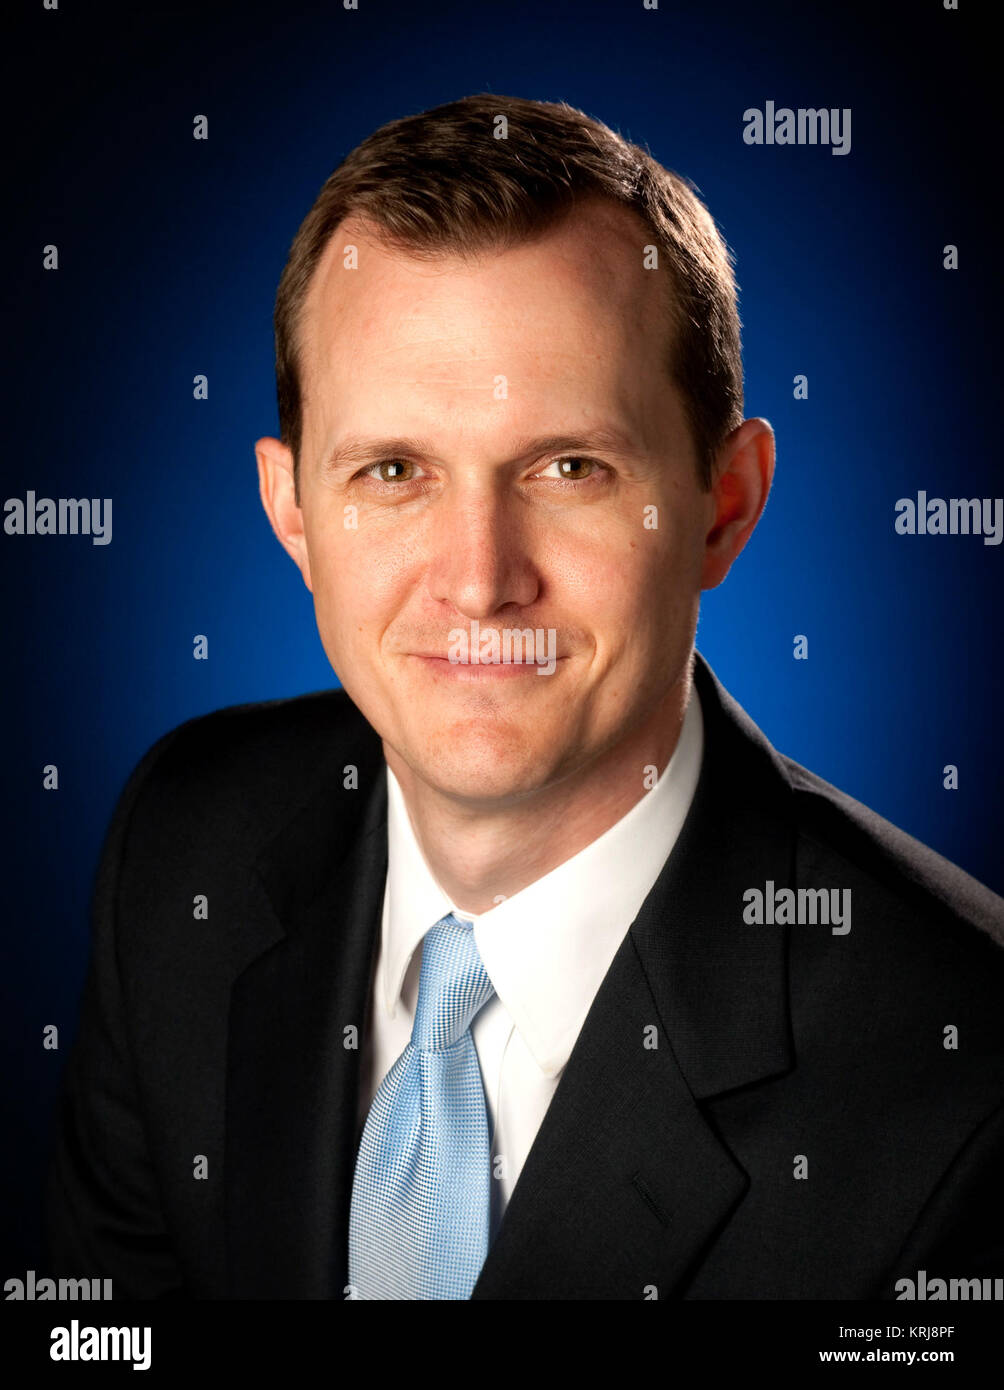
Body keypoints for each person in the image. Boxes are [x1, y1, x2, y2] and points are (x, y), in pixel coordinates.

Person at [46, 93, 1004, 1300]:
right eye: (393, 471)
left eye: (568, 469)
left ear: (724, 503)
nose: (479, 578)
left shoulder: (962, 1078)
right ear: (292, 510)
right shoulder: (182, 845)